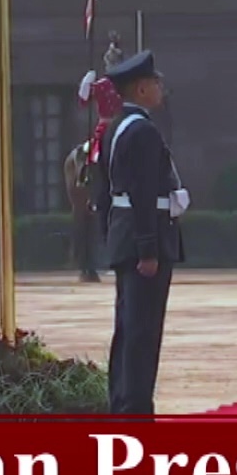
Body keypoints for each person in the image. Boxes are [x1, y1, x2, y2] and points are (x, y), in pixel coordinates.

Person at [102, 50, 187, 415]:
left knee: (128, 329)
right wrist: (148, 249)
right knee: (142, 333)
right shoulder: (144, 132)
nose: (160, 88)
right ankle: (135, 411)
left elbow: (101, 192)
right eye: (155, 83)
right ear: (140, 89)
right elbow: (143, 192)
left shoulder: (112, 128)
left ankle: (122, 402)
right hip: (144, 244)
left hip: (125, 238)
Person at [77, 32, 128, 196]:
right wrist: (86, 84)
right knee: (94, 152)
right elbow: (84, 102)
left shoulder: (122, 85)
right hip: (108, 125)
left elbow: (83, 101)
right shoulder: (103, 85)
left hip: (120, 123)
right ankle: (90, 179)